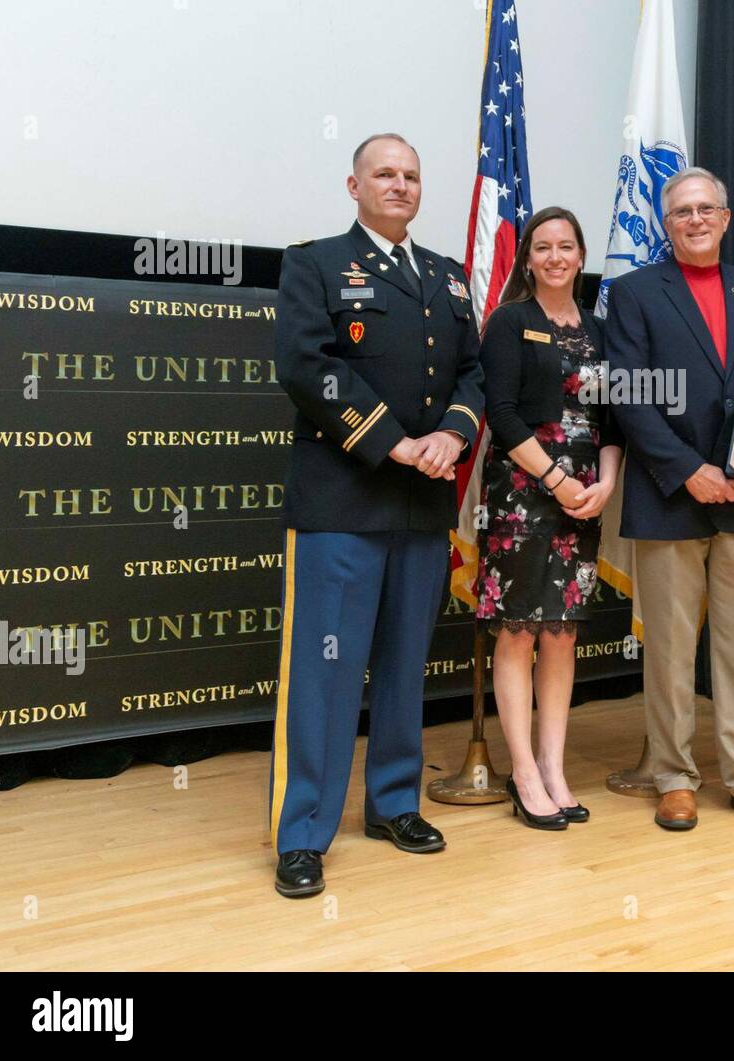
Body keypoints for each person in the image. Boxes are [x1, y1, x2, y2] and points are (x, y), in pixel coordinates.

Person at [268, 133, 484, 898]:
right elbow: (303, 365)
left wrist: (454, 432)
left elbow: (471, 370)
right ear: (353, 184)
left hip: (423, 503)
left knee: (402, 666)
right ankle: (303, 833)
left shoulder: (447, 276)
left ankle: (394, 803)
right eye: (385, 173)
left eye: (412, 175)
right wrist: (394, 443)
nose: (400, 184)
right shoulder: (315, 261)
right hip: (343, 501)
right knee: (327, 674)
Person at [604, 166, 734, 833]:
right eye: (681, 210)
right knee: (671, 648)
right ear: (666, 221)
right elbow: (627, 391)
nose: (694, 219)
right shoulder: (631, 293)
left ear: (725, 216)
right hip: (669, 495)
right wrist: (687, 469)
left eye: (705, 208)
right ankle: (675, 776)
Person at [475, 207, 624, 831]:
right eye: (543, 247)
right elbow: (502, 415)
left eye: (566, 246)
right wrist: (557, 478)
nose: (556, 257)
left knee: (562, 631)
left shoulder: (601, 330)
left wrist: (606, 482)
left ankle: (554, 767)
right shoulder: (509, 322)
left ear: (581, 256)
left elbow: (615, 419)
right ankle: (524, 773)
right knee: (519, 631)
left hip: (586, 496)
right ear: (528, 259)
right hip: (522, 490)